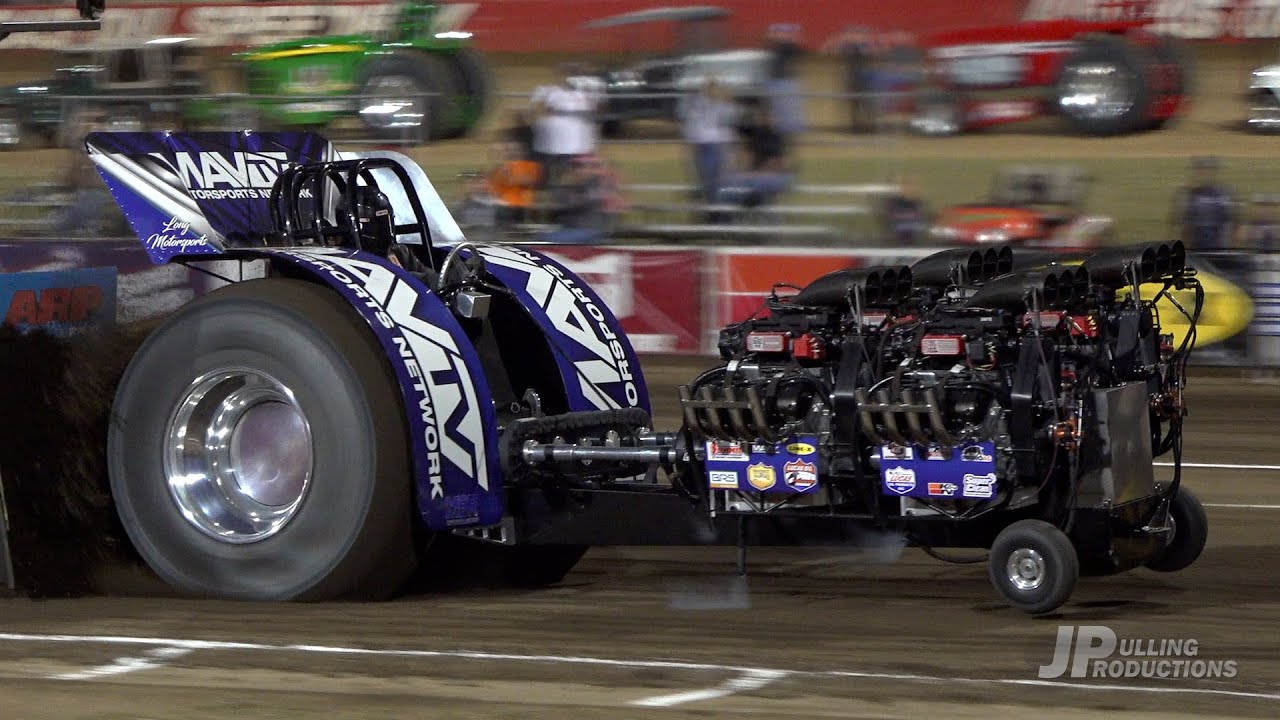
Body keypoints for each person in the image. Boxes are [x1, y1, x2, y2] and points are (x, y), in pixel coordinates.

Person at [530, 64, 600, 189]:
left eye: (573, 74)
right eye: (566, 73)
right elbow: (535, 111)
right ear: (559, 75)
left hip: (577, 146)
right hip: (552, 144)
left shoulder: (584, 94)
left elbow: (594, 111)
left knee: (578, 177)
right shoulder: (548, 91)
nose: (569, 77)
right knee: (546, 176)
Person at [678, 77, 738, 204]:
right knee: (707, 179)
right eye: (709, 88)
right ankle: (711, 207)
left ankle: (716, 208)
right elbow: (691, 125)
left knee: (718, 180)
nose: (713, 91)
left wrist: (728, 100)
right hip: (703, 145)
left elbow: (730, 120)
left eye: (715, 88)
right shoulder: (698, 104)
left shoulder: (722, 105)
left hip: (717, 145)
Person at [1172, 156, 1236, 251]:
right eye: (1200, 170)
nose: (1203, 174)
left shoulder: (1224, 193)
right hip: (1194, 246)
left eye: (1207, 170)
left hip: (1218, 246)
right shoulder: (1187, 194)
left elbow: (1232, 222)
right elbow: (1181, 224)